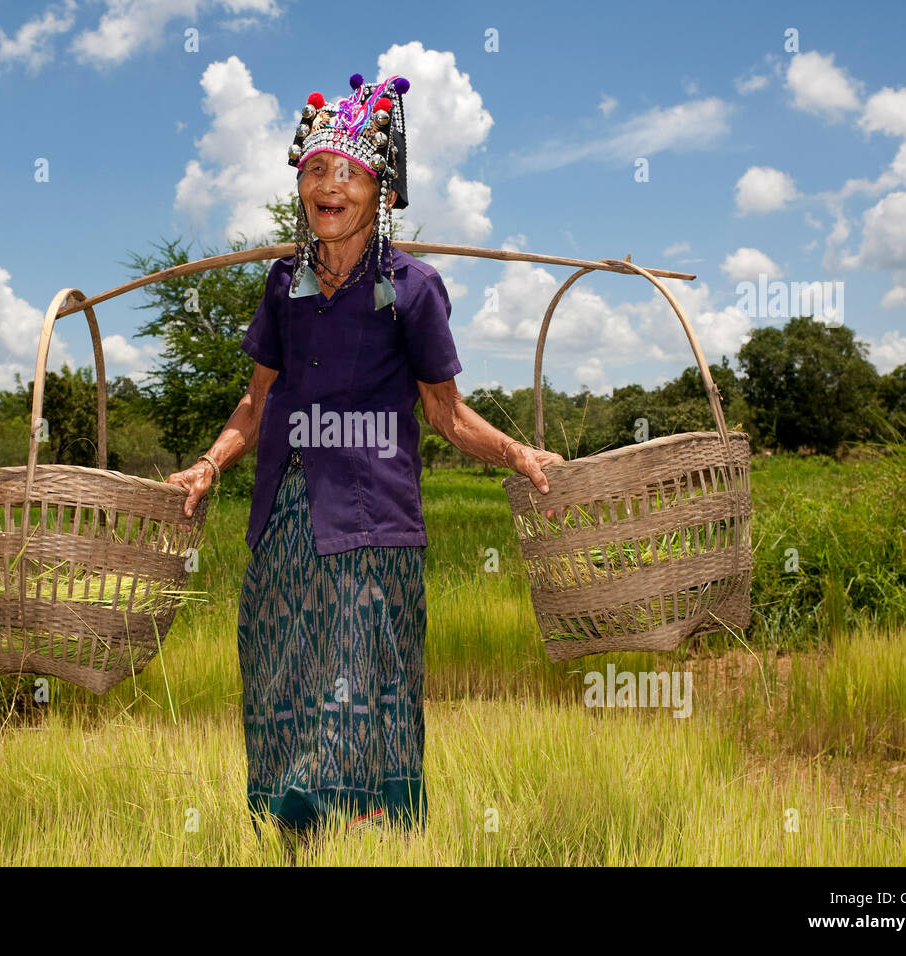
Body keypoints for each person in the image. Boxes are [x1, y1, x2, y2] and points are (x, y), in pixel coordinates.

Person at [165, 71, 563, 852]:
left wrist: (517, 453)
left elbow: (444, 412)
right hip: (284, 523)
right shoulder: (284, 286)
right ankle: (296, 848)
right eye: (315, 171)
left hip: (373, 527)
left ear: (377, 192)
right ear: (302, 190)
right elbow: (255, 404)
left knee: (357, 697)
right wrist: (209, 464)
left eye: (346, 172)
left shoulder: (411, 289)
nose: (329, 185)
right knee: (277, 683)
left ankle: (372, 846)